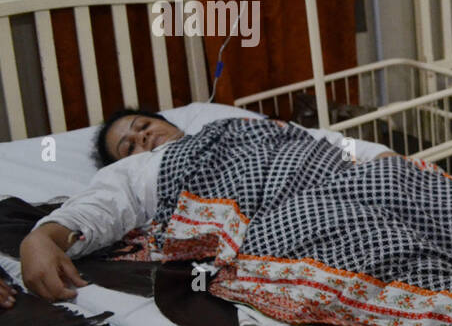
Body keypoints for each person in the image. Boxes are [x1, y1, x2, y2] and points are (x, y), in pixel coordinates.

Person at [18, 108, 393, 304]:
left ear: (166, 122)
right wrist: (41, 239)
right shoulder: (138, 171)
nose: (141, 136)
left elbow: (317, 141)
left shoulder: (233, 126)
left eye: (143, 124)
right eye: (128, 145)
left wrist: (385, 161)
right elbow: (97, 210)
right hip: (288, 217)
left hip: (343, 182)